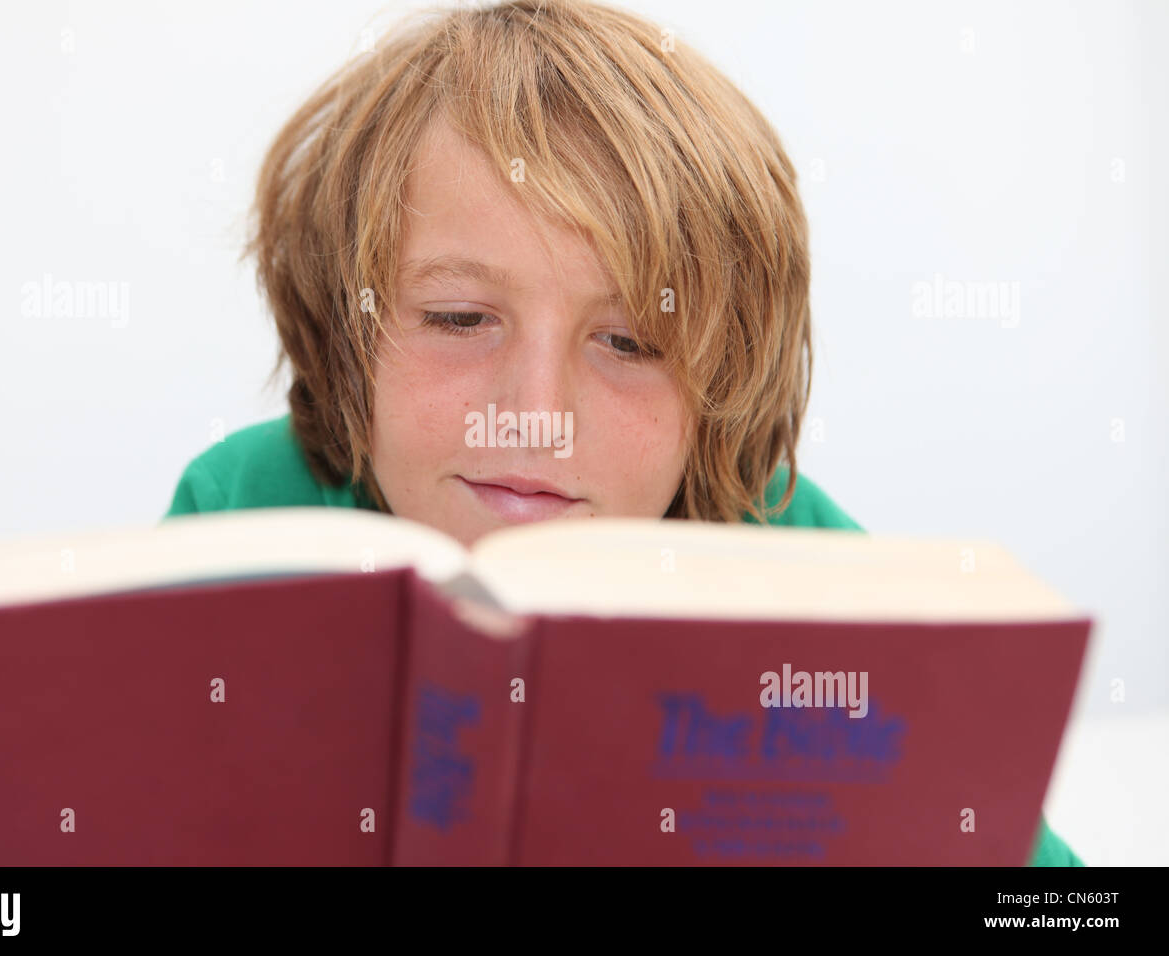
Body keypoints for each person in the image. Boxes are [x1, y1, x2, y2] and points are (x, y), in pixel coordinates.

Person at [164, 0, 1081, 867]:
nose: (535, 412)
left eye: (631, 341)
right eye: (456, 317)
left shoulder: (800, 573)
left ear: (719, 385)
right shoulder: (242, 515)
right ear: (347, 328)